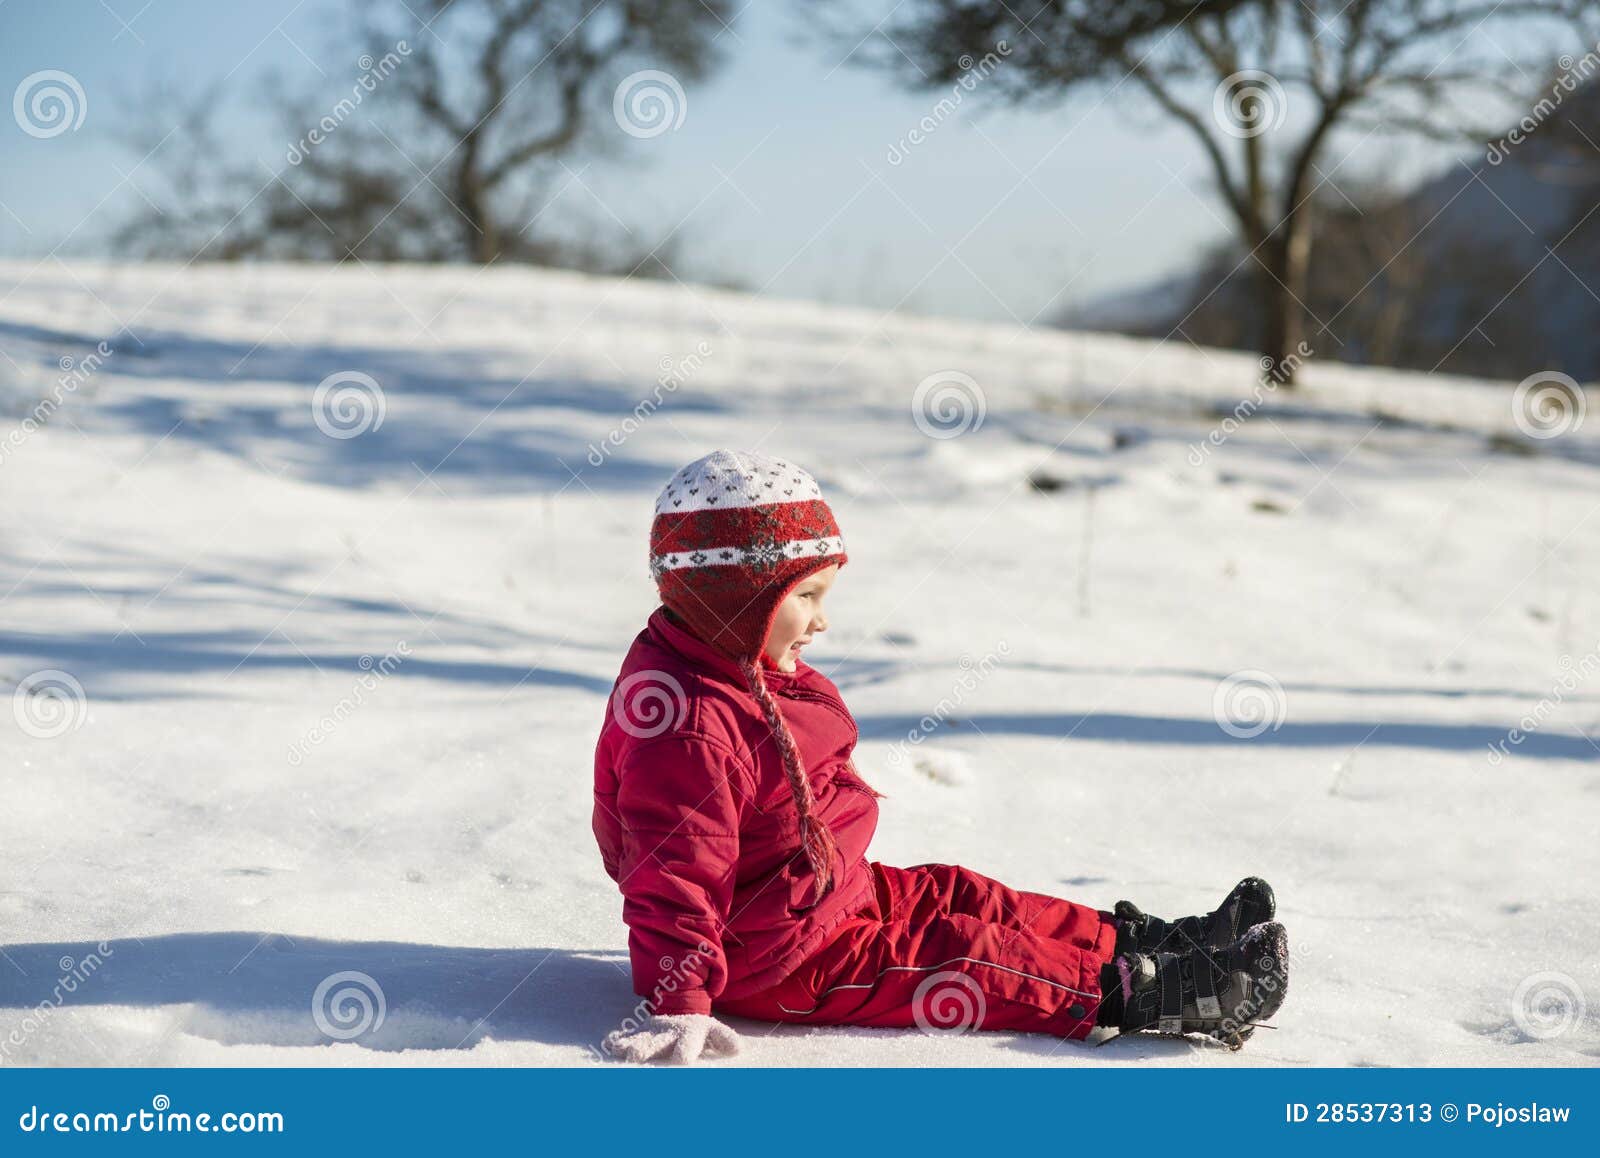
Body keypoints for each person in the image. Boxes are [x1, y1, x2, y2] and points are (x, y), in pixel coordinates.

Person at [593, 449, 1288, 1064]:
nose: (822, 620)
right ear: (736, 598)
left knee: (964, 893)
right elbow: (671, 878)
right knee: (963, 954)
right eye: (804, 597)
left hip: (825, 896)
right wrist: (679, 999)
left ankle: (1168, 942)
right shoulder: (687, 728)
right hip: (782, 961)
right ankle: (1163, 994)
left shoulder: (739, 668)